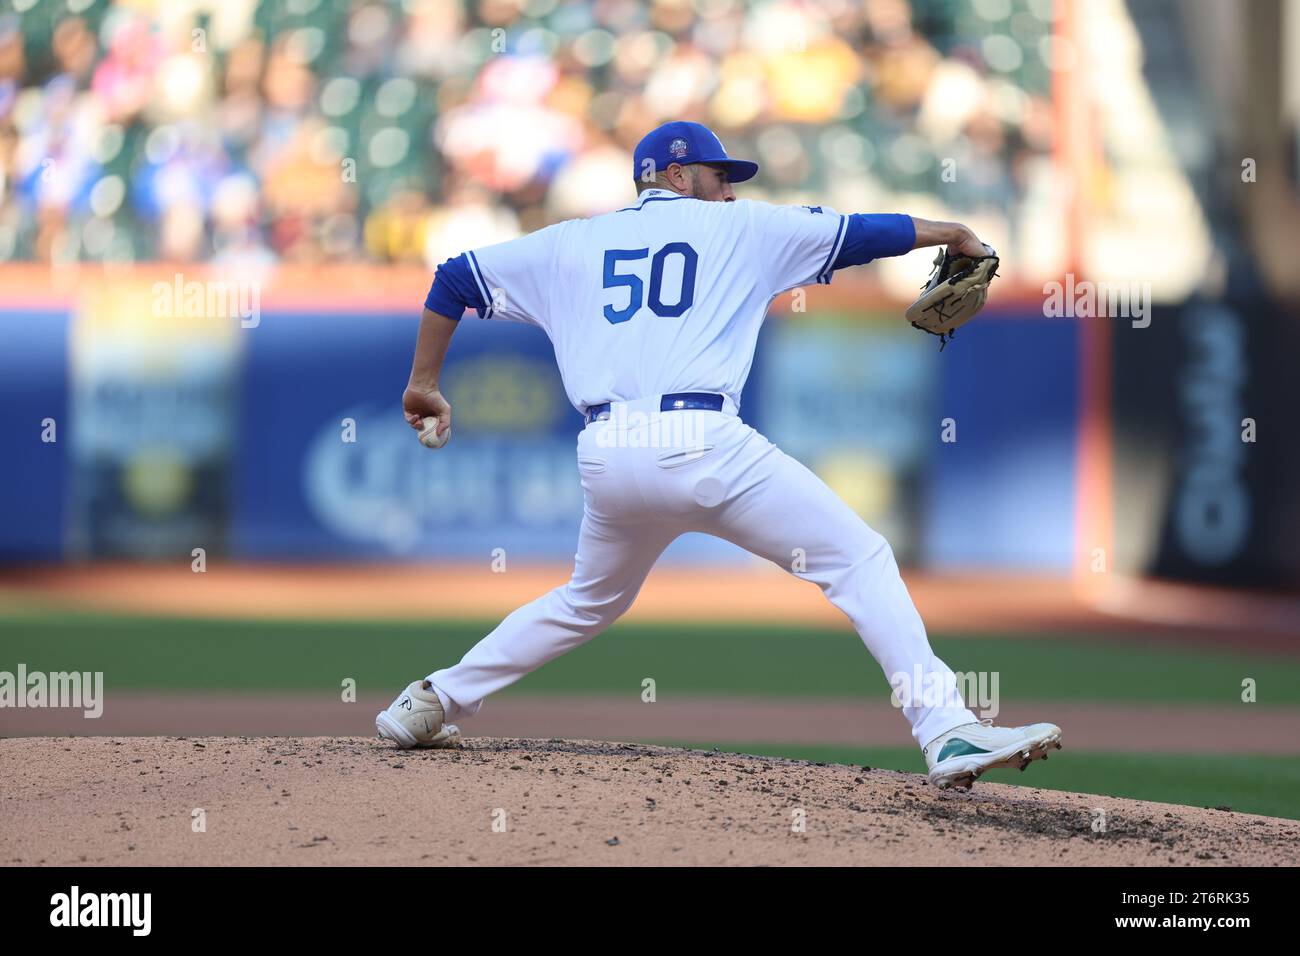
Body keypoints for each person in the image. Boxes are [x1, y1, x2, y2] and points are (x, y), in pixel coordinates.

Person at [376, 121, 1061, 790]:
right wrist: (955, 234)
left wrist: (424, 384)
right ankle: (946, 728)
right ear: (678, 174)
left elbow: (454, 279)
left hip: (609, 454)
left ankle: (429, 702)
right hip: (702, 445)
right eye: (720, 176)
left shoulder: (570, 242)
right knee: (858, 558)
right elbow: (865, 233)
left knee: (587, 601)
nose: (730, 191)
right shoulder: (743, 228)